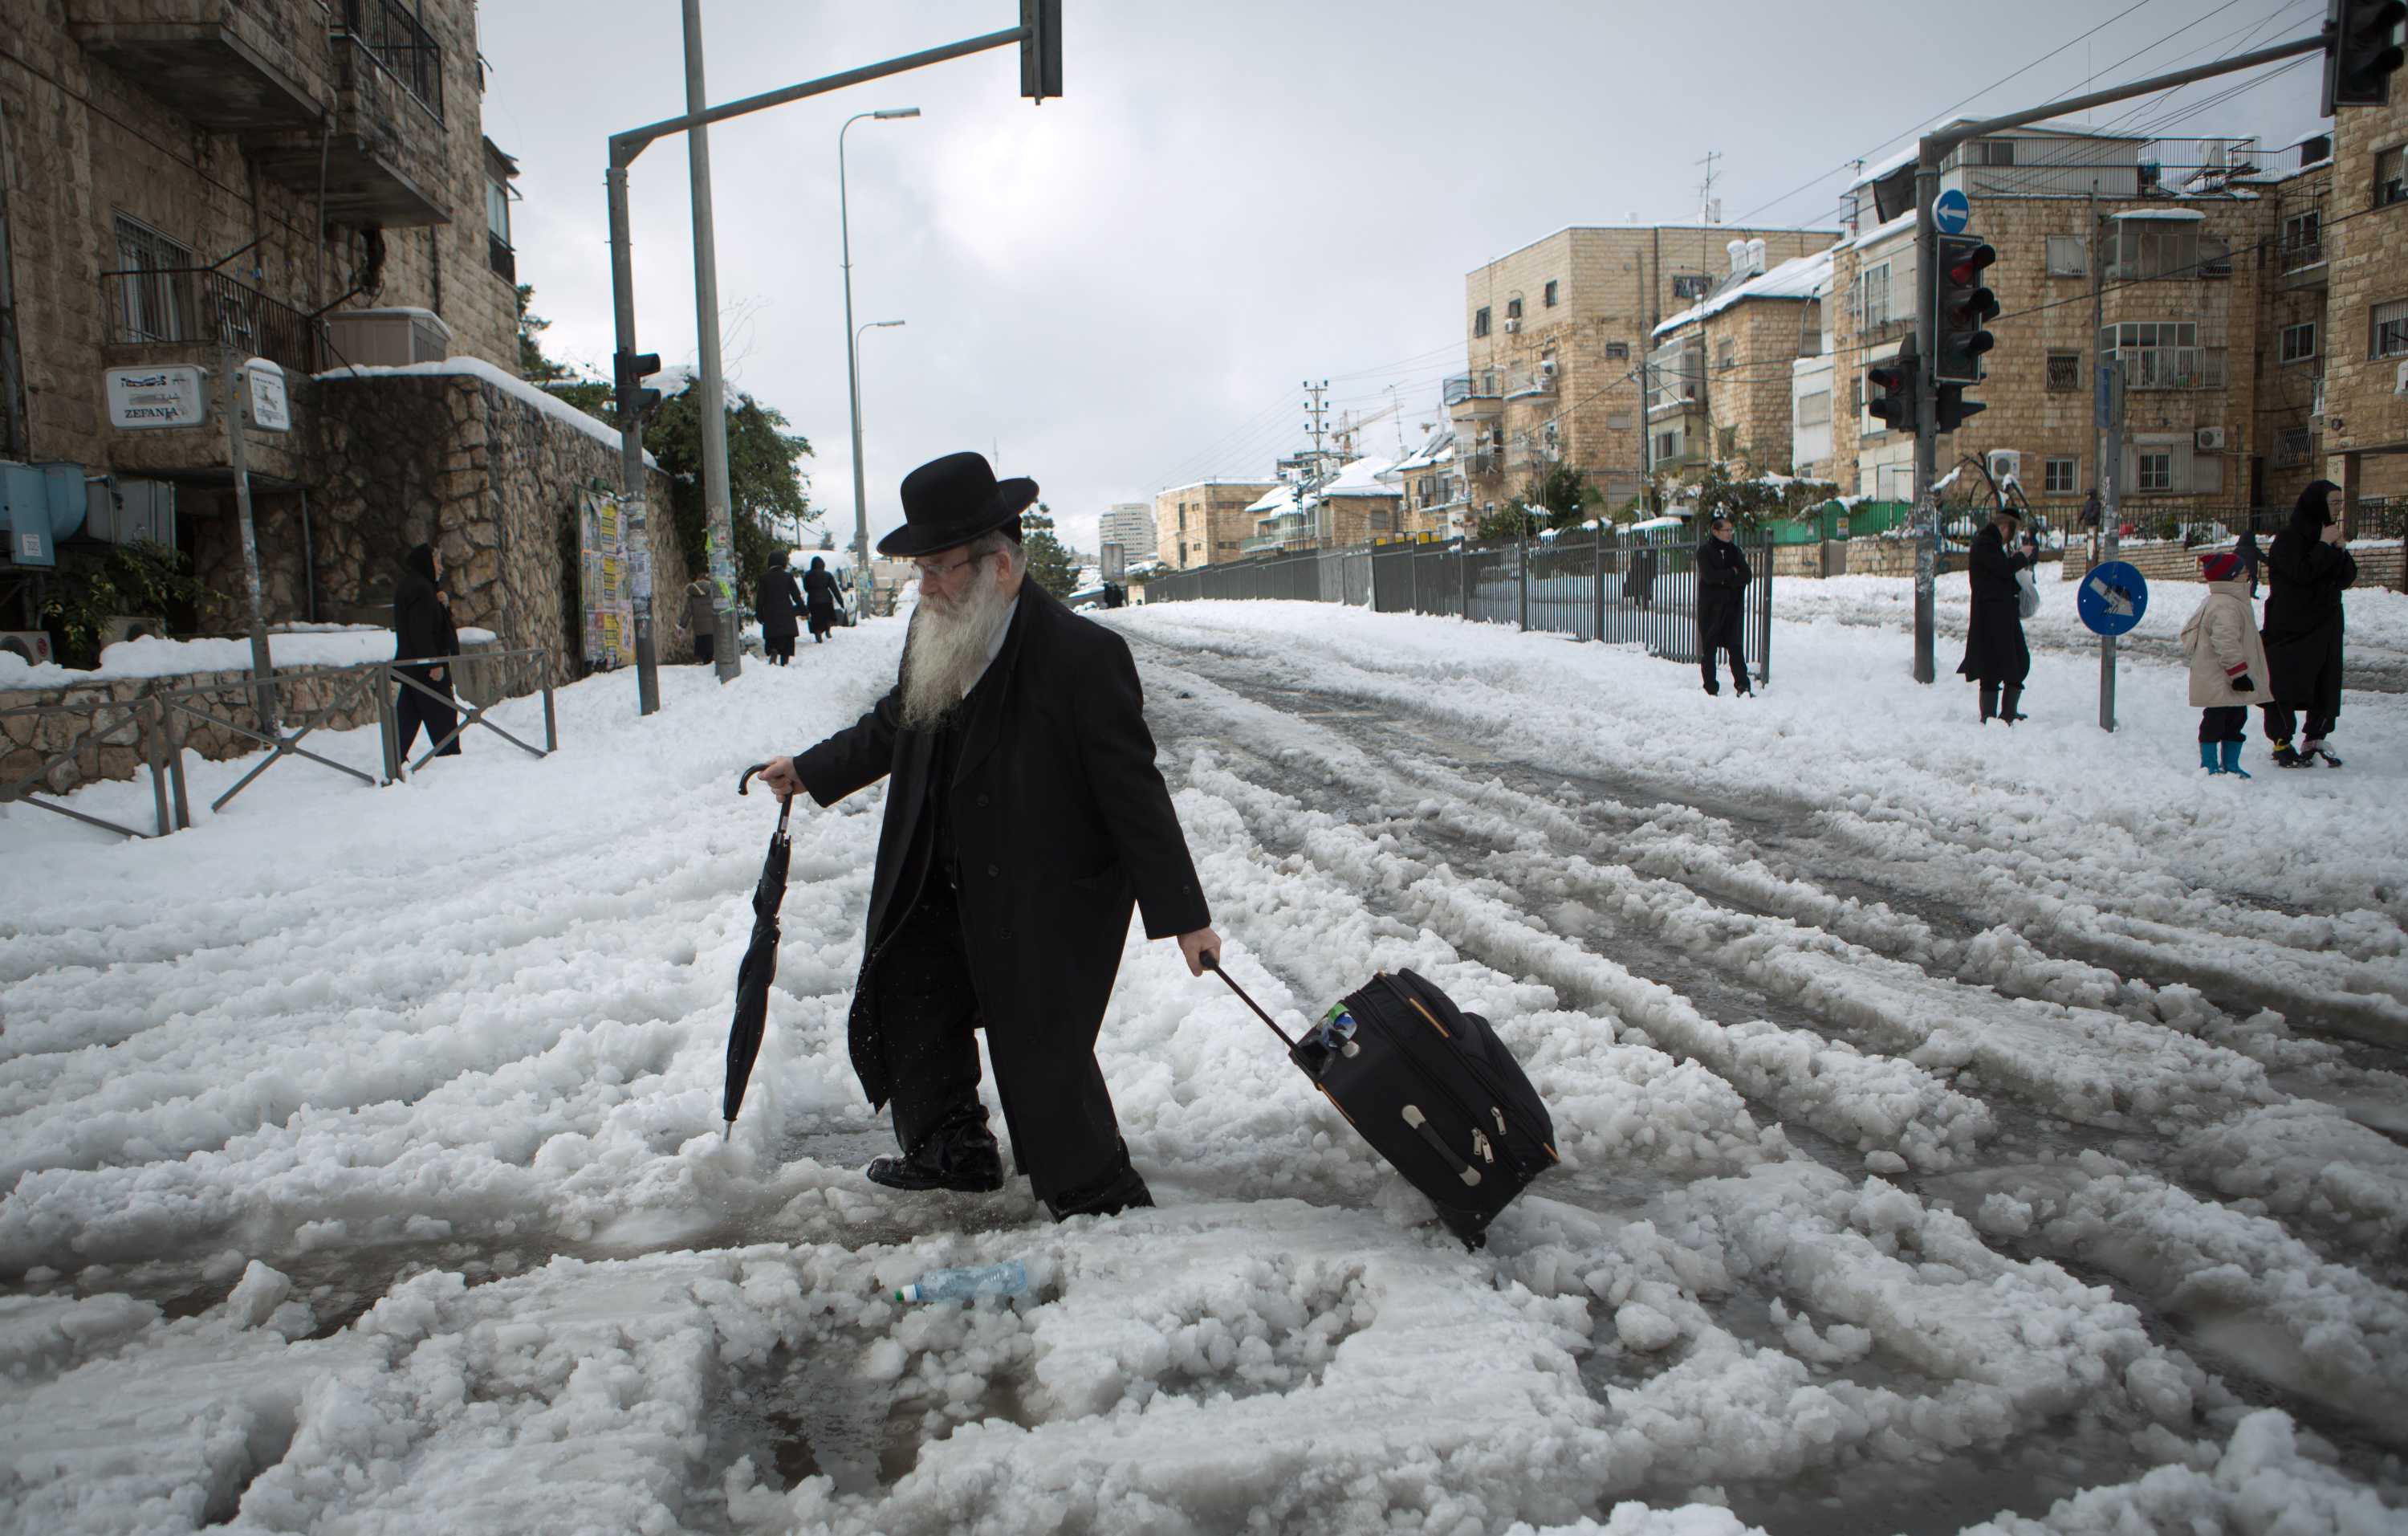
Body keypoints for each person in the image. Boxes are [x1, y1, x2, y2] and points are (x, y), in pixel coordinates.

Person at [755, 451, 1222, 1221]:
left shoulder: (1082, 657)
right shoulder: (935, 627)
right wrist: (810, 769)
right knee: (911, 987)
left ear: (999, 566)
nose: (924, 588)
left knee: (1041, 1044)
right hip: (940, 873)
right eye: (921, 571)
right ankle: (951, 1147)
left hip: (1043, 887)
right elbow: (897, 721)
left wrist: (1185, 918)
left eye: (938, 569)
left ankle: (1096, 1188)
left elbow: (1135, 794)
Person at [2259, 480, 2357, 768]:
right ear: (2317, 504)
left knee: (2325, 682)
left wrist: (2341, 550)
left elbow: (2345, 578)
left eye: (2340, 502)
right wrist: (2324, 546)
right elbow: (2301, 574)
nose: (2338, 508)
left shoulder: (2329, 535)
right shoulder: (2289, 539)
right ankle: (2281, 741)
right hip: (2292, 624)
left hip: (2326, 623)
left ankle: (2316, 737)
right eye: (2333, 502)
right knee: (2286, 682)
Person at [2182, 550, 2270, 777]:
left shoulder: (2230, 602)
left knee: (2236, 720)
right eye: (2243, 571)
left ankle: (2231, 765)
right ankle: (2209, 765)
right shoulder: (2225, 605)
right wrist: (2238, 674)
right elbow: (2226, 641)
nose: (2248, 574)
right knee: (2215, 722)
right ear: (2231, 576)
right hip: (2222, 678)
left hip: (2227, 679)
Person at [1958, 503, 2038, 723]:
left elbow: (2001, 574)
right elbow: (2003, 569)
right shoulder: (1984, 544)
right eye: (2012, 532)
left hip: (2001, 615)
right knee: (1993, 666)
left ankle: (2007, 712)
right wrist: (2021, 557)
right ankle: (1990, 715)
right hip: (1991, 617)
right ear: (2005, 528)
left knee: (2017, 661)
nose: (2011, 538)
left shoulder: (1989, 544)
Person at [390, 542, 462, 765]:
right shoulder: (421, 589)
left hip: (414, 667)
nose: (441, 567)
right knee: (443, 713)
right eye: (437, 562)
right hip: (426, 667)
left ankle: (394, 760)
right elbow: (420, 630)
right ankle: (450, 760)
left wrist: (443, 605)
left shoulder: (419, 586)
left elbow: (433, 623)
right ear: (426, 563)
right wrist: (432, 663)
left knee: (408, 715)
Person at [1696, 514, 1752, 696]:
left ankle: (1743, 686)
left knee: (1735, 647)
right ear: (1715, 531)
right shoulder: (1704, 552)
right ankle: (1710, 687)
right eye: (1726, 530)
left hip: (1732, 608)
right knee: (1709, 649)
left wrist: (1725, 579)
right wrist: (1731, 573)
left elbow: (1746, 575)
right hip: (1711, 608)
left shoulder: (1734, 552)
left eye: (1731, 530)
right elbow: (1709, 576)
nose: (1729, 533)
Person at [757, 560, 803, 666]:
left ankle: (773, 650)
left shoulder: (764, 578)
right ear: (783, 563)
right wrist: (803, 609)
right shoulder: (788, 577)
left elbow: (760, 599)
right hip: (787, 613)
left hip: (770, 614)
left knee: (772, 638)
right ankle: (784, 662)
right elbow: (796, 595)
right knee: (787, 641)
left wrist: (759, 614)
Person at [679, 576, 718, 665]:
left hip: (699, 628)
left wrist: (682, 625)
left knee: (703, 649)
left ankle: (705, 661)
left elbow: (687, 612)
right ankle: (710, 663)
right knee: (711, 648)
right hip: (712, 627)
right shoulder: (712, 592)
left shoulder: (692, 595)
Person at [803, 556, 843, 643]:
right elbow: (834, 589)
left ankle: (817, 632)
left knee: (815, 618)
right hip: (826, 600)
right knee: (827, 616)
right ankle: (828, 630)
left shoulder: (807, 575)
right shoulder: (828, 575)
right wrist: (841, 601)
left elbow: (806, 588)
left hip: (813, 600)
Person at [2233, 527, 2264, 600]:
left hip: (2242, 570)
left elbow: (2233, 559)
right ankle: (2252, 593)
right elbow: (2263, 558)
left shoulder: (2237, 550)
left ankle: (2240, 593)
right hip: (2252, 570)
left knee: (2242, 582)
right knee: (2254, 581)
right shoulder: (2255, 550)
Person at [1625, 542, 1657, 611]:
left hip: (1642, 574)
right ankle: (1642, 605)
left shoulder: (1640, 551)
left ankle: (1640, 605)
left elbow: (1634, 563)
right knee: (1643, 589)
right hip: (1644, 575)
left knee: (1640, 589)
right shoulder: (1650, 551)